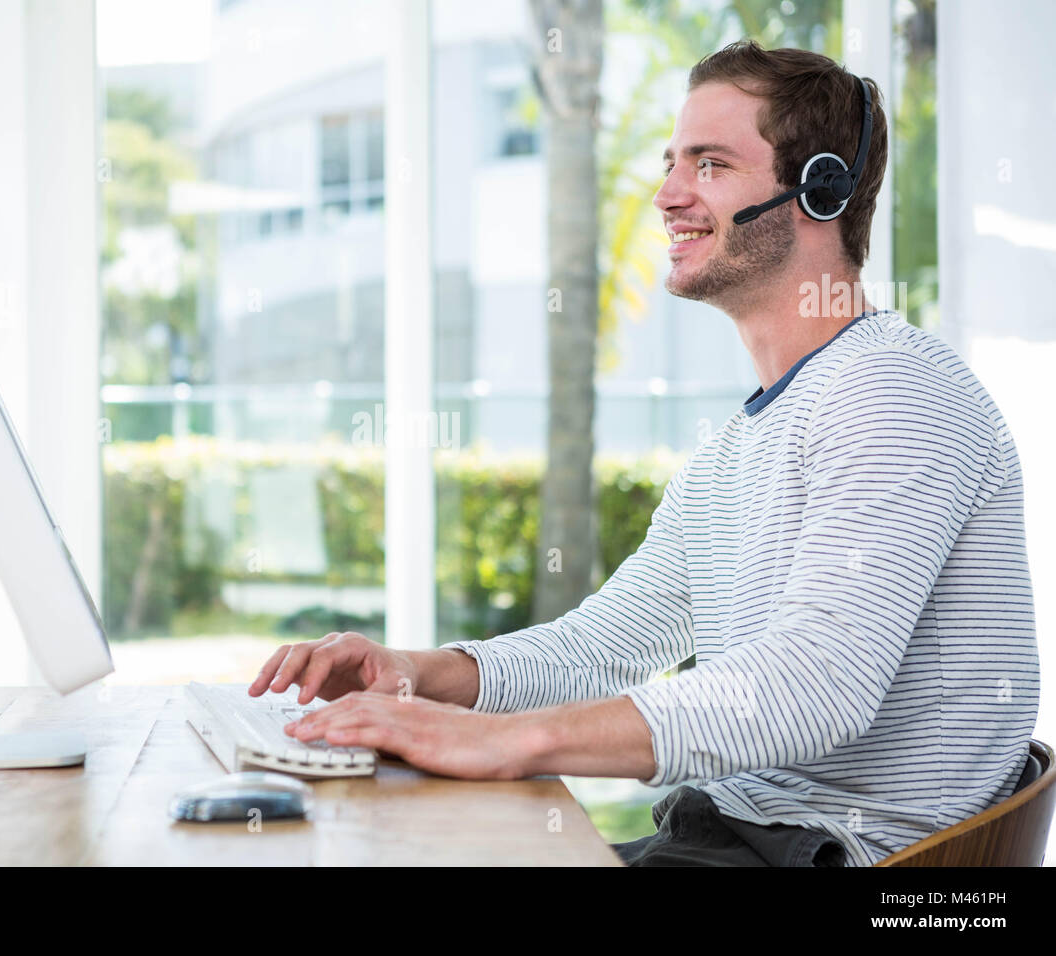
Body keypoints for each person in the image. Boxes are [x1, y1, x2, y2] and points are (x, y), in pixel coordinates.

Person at [248, 39, 1040, 867]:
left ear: (821, 189)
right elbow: (606, 647)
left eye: (709, 165)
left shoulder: (896, 392)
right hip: (729, 841)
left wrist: (511, 743)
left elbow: (815, 688)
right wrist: (410, 674)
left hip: (830, 856)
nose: (668, 196)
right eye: (672, 163)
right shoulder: (745, 440)